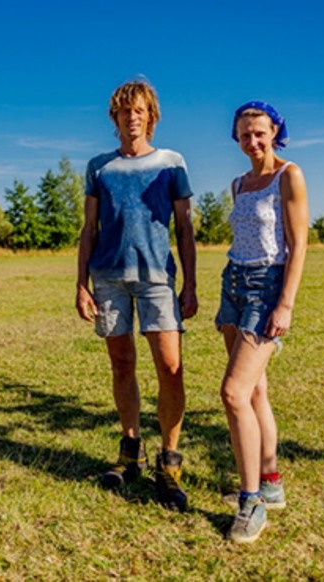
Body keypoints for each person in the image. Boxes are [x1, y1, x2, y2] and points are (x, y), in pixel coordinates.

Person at [76, 80, 198, 511]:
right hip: (108, 279)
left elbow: (185, 229)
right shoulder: (99, 167)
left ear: (151, 116)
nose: (132, 118)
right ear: (115, 118)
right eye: (124, 112)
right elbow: (89, 229)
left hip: (157, 280)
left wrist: (191, 284)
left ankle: (170, 463)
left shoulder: (171, 163)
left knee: (170, 366)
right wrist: (80, 284)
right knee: (121, 363)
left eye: (140, 110)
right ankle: (130, 454)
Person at [215, 101, 309, 543]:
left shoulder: (289, 175)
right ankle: (270, 482)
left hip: (267, 288)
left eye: (260, 132)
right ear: (236, 137)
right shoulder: (238, 184)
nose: (253, 141)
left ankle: (250, 499)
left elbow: (298, 242)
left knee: (232, 393)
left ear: (275, 132)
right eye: (245, 134)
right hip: (233, 283)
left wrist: (285, 304)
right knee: (254, 390)